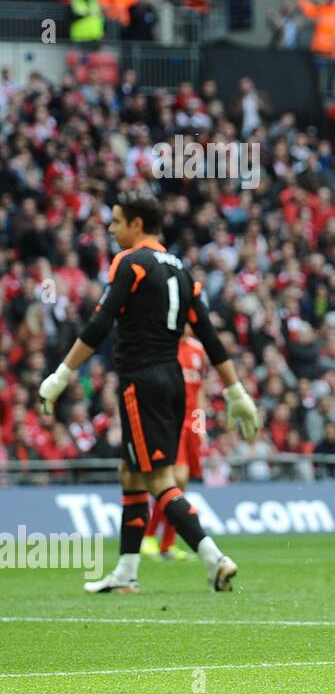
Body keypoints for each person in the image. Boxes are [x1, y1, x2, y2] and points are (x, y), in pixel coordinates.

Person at [38, 191, 262, 593]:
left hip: (141, 381)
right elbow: (209, 337)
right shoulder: (181, 270)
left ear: (137, 225)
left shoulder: (130, 263)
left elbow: (99, 324)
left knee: (158, 478)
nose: (111, 228)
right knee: (131, 473)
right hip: (175, 381)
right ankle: (126, 571)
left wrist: (60, 375)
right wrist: (235, 391)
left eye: (117, 221)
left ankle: (214, 558)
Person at [142, 328, 206, 561]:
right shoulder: (164, 348)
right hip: (171, 421)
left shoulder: (197, 349)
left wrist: (200, 427)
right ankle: (148, 537)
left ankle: (166, 545)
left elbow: (199, 390)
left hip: (191, 425)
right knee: (175, 480)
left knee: (181, 484)